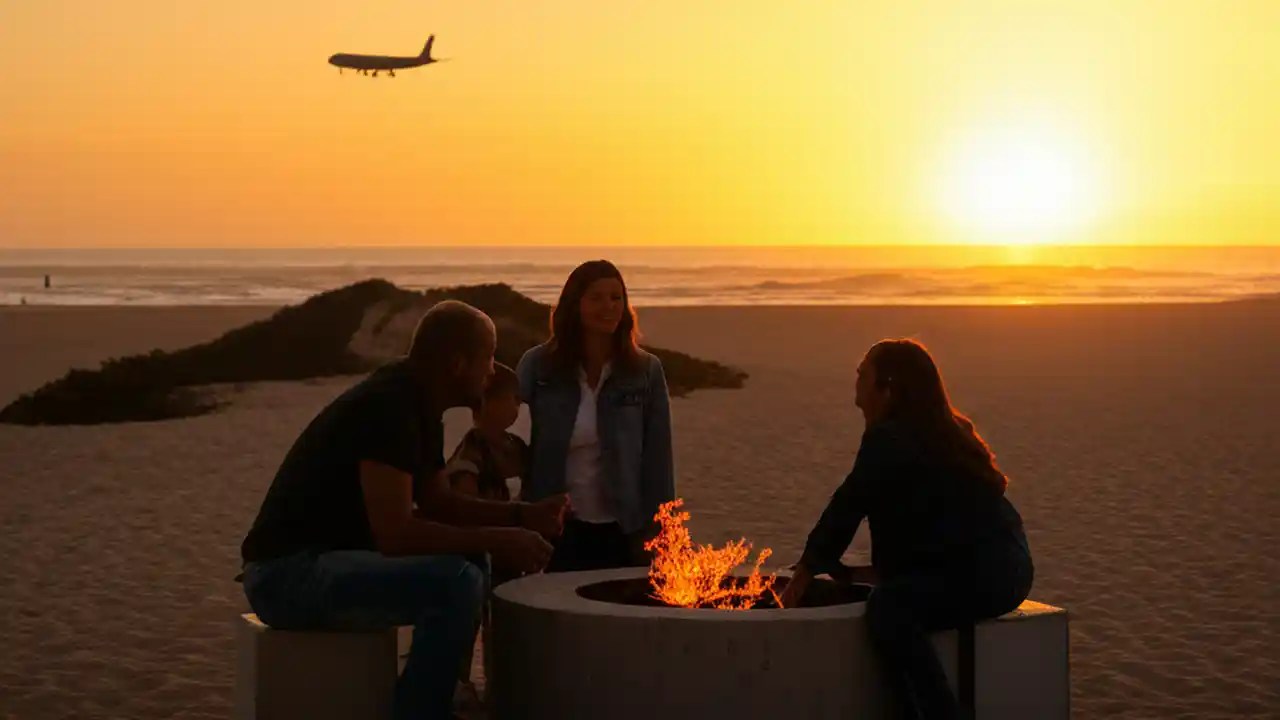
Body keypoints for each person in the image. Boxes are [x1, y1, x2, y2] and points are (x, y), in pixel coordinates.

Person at [239, 300, 569, 720]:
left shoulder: (419, 401)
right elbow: (396, 533)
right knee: (456, 584)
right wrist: (502, 539)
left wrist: (523, 516)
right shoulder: (389, 406)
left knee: (472, 561)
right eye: (487, 359)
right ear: (456, 363)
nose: (492, 372)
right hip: (285, 576)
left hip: (323, 560)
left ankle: (449, 690)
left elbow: (440, 503)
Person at [780, 339, 1034, 720]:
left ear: (888, 388)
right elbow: (918, 518)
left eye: (864, 372)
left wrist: (807, 567)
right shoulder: (936, 431)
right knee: (891, 592)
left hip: (991, 572)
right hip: (1005, 565)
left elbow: (850, 502)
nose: (856, 377)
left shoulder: (890, 438)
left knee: (890, 609)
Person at [517, 260, 675, 572]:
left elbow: (659, 458)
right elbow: (512, 442)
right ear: (574, 305)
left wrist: (660, 531)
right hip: (554, 527)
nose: (609, 307)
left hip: (623, 527)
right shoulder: (538, 367)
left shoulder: (645, 371)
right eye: (596, 298)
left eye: (616, 298)